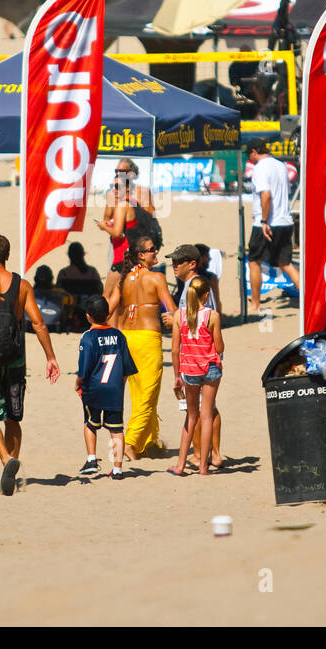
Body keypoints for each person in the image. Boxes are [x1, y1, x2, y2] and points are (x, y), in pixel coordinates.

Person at [0, 234, 61, 495]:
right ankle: (12, 477)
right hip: (15, 358)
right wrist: (50, 357)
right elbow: (38, 323)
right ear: (7, 255)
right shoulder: (22, 285)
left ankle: (6, 459)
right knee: (13, 417)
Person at [104, 234, 174, 462]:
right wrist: (174, 317)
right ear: (141, 255)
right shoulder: (157, 277)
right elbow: (170, 308)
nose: (156, 252)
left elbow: (107, 310)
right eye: (152, 249)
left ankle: (149, 443)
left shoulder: (123, 280)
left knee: (139, 392)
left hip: (126, 338)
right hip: (147, 339)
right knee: (148, 392)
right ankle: (130, 442)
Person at [164, 244, 223, 464]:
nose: (174, 266)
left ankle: (200, 455)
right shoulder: (198, 285)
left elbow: (200, 321)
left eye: (179, 262)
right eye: (173, 261)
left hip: (199, 357)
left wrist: (175, 321)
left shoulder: (194, 286)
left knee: (197, 411)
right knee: (209, 407)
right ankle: (214, 454)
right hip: (208, 355)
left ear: (192, 264)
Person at [75, 296, 136, 478]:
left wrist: (78, 384)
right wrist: (120, 384)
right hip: (114, 389)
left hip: (94, 388)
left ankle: (92, 459)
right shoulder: (119, 335)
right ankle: (117, 469)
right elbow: (127, 368)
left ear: (88, 316)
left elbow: (84, 368)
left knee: (90, 423)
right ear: (108, 315)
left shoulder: (88, 337)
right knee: (116, 429)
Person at [246, 138, 300, 315]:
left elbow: (266, 196)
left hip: (268, 223)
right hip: (284, 220)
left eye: (250, 155)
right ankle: (308, 300)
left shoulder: (260, 168)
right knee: (286, 264)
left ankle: (255, 303)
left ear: (254, 152)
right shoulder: (280, 165)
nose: (250, 159)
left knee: (254, 261)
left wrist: (263, 221)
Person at [96, 159, 158, 299]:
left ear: (131, 173)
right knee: (119, 292)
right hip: (118, 244)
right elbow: (107, 218)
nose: (118, 173)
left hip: (136, 245)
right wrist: (109, 224)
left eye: (122, 171)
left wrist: (127, 216)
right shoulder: (112, 194)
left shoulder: (142, 193)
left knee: (119, 292)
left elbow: (149, 221)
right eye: (116, 171)